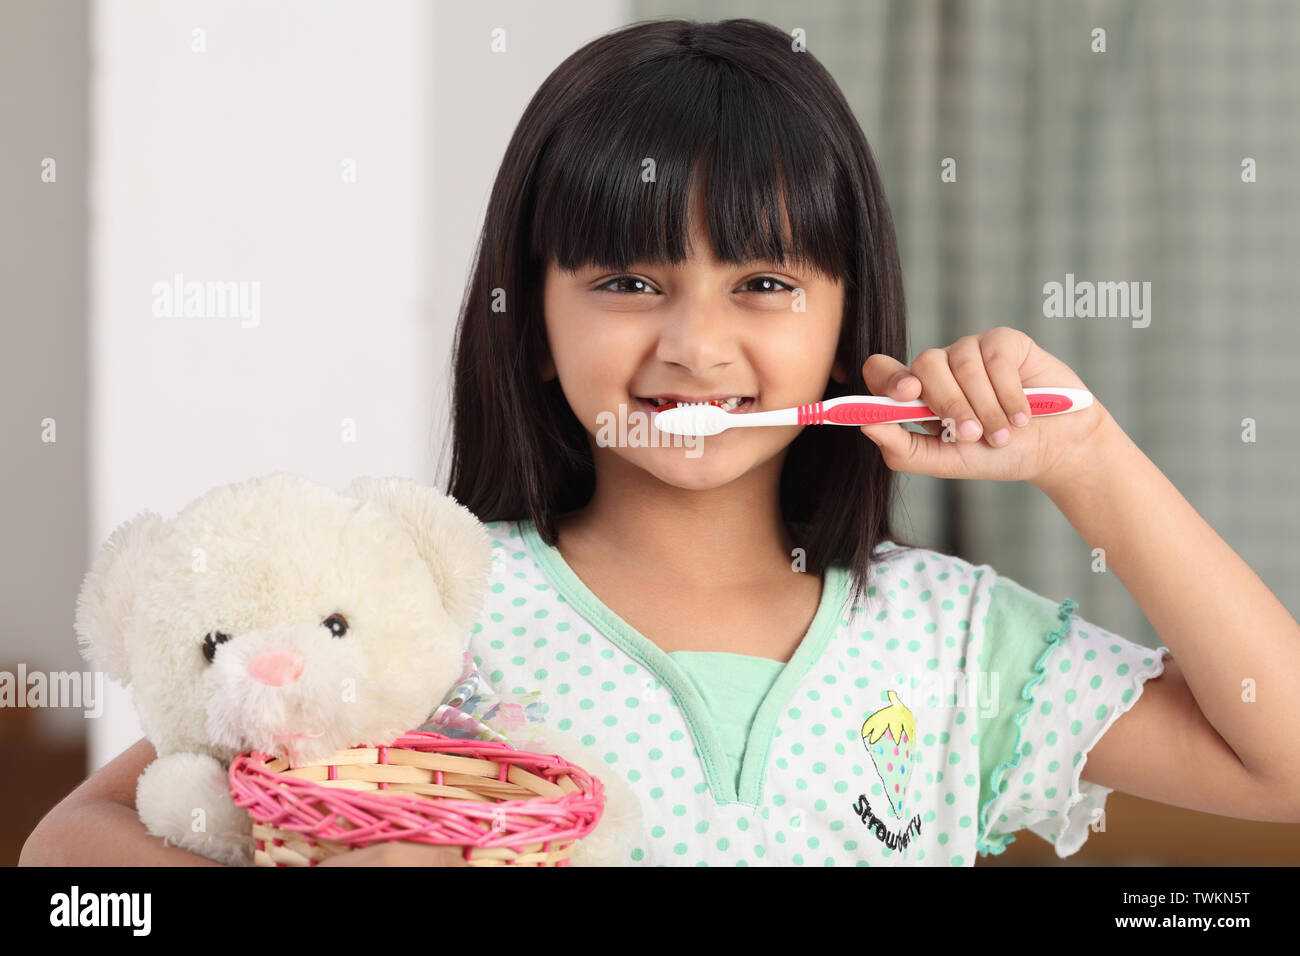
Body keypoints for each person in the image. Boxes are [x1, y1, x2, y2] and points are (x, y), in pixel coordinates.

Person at [23, 17, 1298, 868]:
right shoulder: (421, 613)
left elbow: (1280, 763)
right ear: (530, 324)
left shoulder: (957, 645)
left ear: (851, 318)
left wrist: (1088, 460)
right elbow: (67, 857)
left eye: (764, 284)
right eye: (628, 283)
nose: (695, 344)